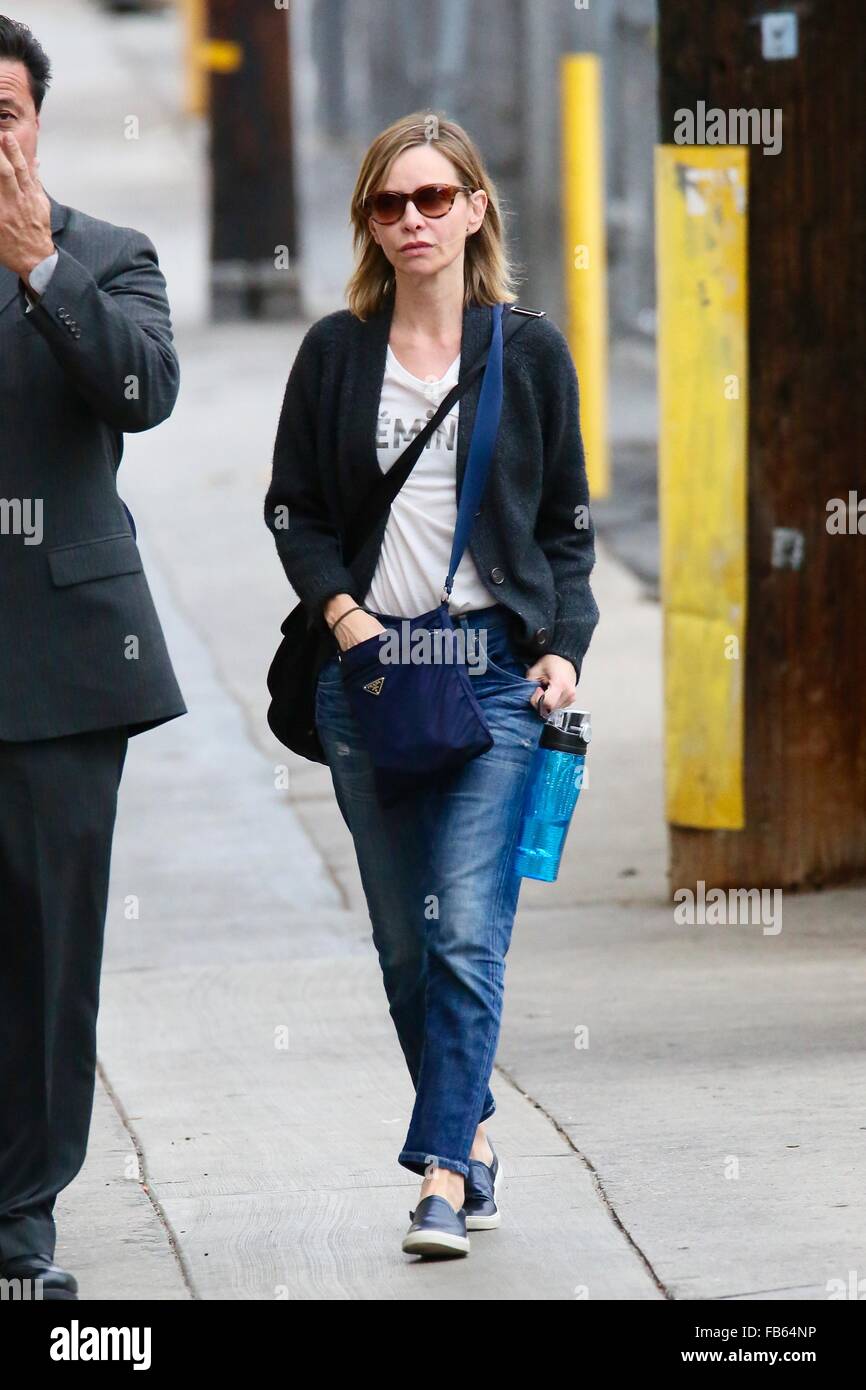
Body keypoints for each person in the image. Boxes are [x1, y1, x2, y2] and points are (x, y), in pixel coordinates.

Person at [265, 111, 599, 1258]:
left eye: (432, 199)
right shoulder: (334, 351)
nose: (412, 221)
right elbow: (293, 511)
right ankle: (474, 1132)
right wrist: (346, 617)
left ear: (473, 208)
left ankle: (443, 1175)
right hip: (367, 678)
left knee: (463, 933)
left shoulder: (529, 350)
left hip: (491, 675)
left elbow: (564, 529)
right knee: (404, 946)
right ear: (367, 221)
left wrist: (563, 645)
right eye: (388, 204)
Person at [0, 16, 185, 1299]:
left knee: (46, 958)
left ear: (35, 124)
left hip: (59, 671)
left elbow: (142, 394)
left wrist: (39, 267)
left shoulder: (107, 256)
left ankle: (21, 1221)